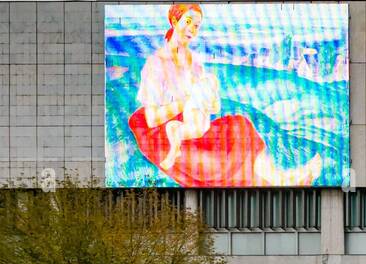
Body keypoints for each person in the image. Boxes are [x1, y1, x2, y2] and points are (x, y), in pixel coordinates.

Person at [128, 3, 323, 187]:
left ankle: (280, 178)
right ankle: (281, 182)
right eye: (187, 22)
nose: (192, 30)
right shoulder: (156, 64)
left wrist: (209, 98)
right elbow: (152, 119)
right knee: (215, 159)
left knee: (241, 125)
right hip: (165, 133)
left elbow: (212, 106)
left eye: (196, 26)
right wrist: (185, 101)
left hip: (194, 122)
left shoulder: (193, 61)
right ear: (173, 21)